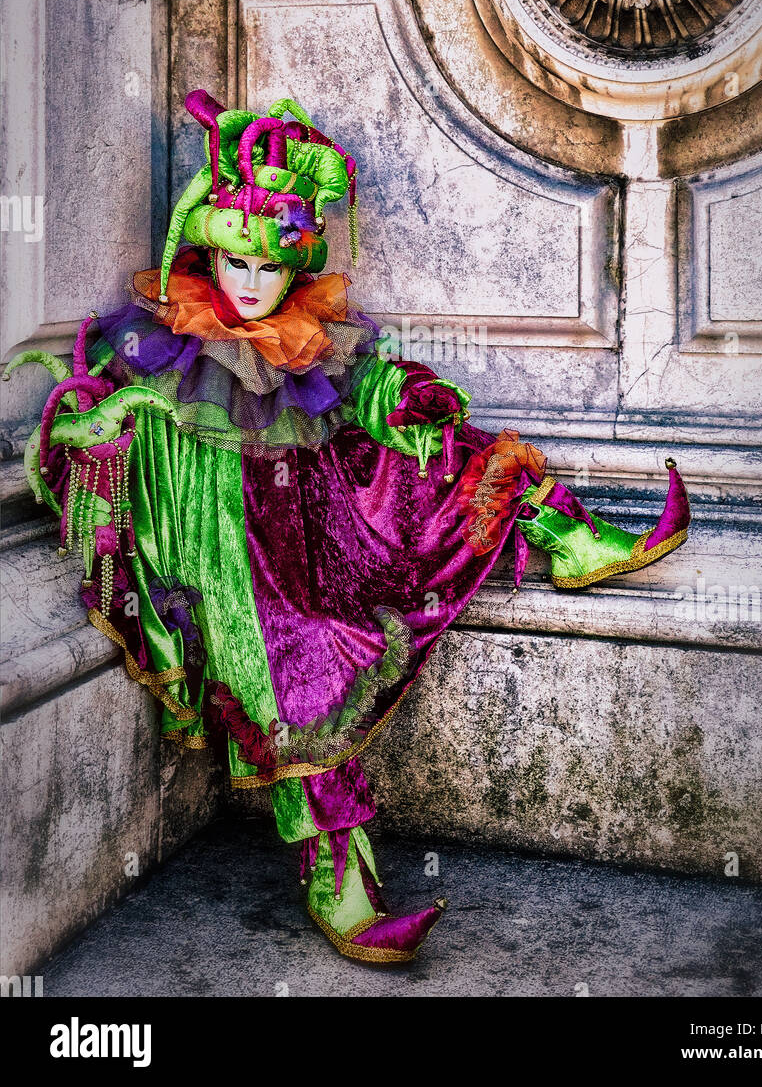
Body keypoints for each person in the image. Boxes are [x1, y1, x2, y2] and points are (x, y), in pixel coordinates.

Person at [6, 90, 690, 964]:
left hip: (320, 518)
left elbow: (357, 386)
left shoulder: (304, 334)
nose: (250, 289)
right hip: (230, 560)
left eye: (270, 270)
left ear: (297, 269)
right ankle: (345, 886)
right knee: (294, 682)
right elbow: (86, 417)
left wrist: (407, 400)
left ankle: (573, 541)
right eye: (235, 266)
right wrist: (88, 429)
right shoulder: (168, 341)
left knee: (452, 452)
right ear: (209, 255)